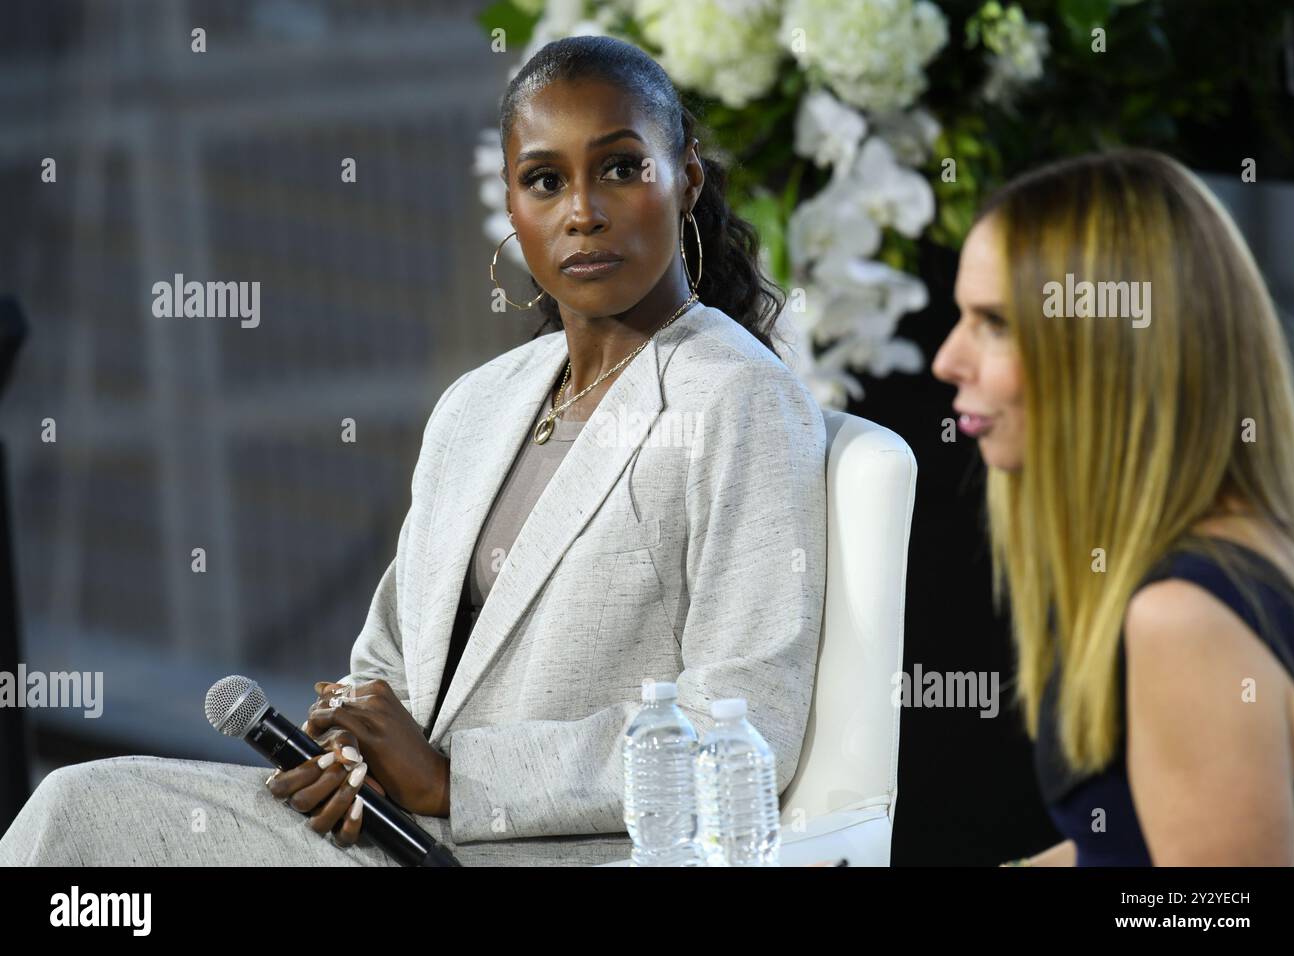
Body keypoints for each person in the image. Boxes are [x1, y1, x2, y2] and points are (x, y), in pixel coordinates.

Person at [0, 35, 826, 867]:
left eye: (619, 169)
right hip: (387, 831)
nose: (582, 211)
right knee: (75, 807)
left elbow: (748, 718)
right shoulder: (479, 403)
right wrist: (351, 751)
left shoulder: (739, 400)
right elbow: (387, 659)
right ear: (512, 206)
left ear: (685, 176)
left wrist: (455, 779)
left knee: (79, 821)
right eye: (545, 180)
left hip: (551, 851)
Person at [932, 148, 1294, 866]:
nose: (948, 359)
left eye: (995, 322)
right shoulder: (1252, 541)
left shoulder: (1182, 619)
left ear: (1109, 351)